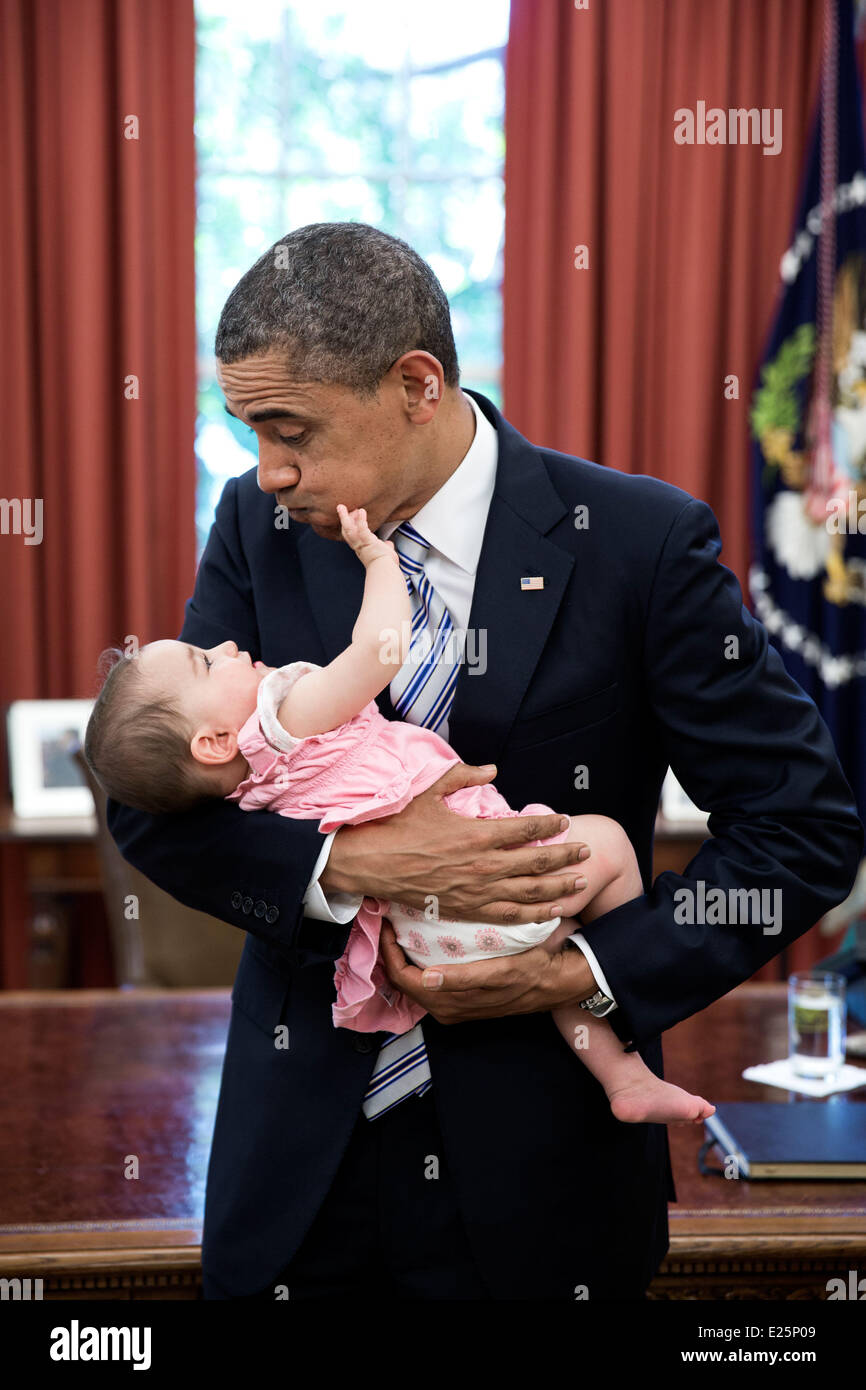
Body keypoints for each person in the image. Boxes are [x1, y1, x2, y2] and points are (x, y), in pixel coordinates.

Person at [107, 222, 864, 1301]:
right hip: (294, 1183)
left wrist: (581, 976)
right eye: (245, 430)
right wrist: (355, 865)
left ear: (416, 384)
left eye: (288, 430)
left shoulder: (638, 544)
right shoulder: (255, 525)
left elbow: (802, 828)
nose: (266, 470)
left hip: (547, 1185)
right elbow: (153, 802)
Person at [85, 501, 717, 1129]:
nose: (225, 645)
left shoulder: (242, 786)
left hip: (422, 942)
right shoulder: (282, 720)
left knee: (553, 953)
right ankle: (624, 1042)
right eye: (204, 661)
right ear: (215, 743)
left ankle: (621, 1078)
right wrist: (381, 563)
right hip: (495, 883)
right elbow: (379, 652)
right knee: (605, 847)